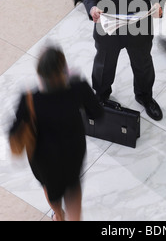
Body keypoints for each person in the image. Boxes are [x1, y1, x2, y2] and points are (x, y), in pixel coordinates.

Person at [8, 46, 103, 221]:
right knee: (73, 188)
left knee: (50, 188)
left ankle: (58, 215)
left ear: (40, 74)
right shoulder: (77, 87)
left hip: (44, 160)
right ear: (63, 69)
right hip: (72, 152)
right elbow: (97, 113)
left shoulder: (29, 99)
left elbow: (13, 133)